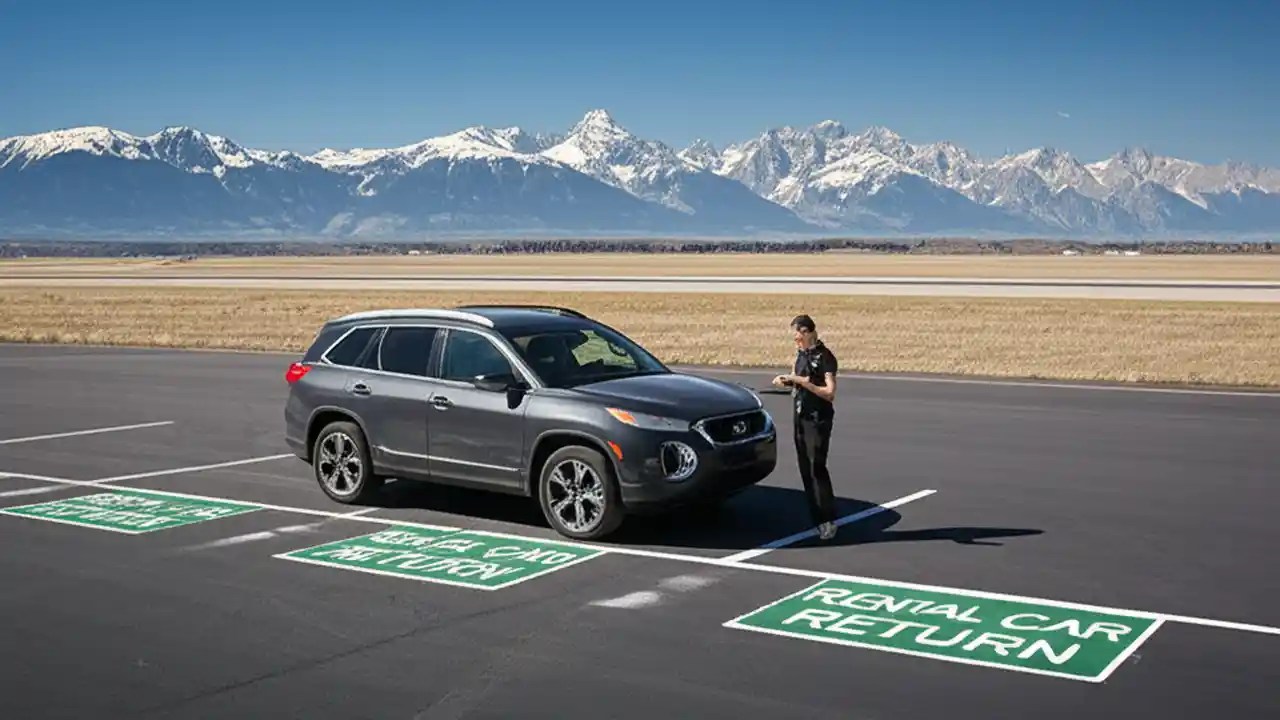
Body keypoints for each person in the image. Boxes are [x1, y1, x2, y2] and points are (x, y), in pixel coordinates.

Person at [772, 314, 839, 540]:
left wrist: (805, 383)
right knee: (804, 467)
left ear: (808, 332)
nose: (795, 338)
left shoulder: (825, 357)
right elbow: (797, 377)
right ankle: (816, 517)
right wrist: (788, 381)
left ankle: (828, 518)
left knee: (816, 467)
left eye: (798, 334)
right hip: (800, 416)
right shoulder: (801, 355)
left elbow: (829, 393)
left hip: (817, 418)